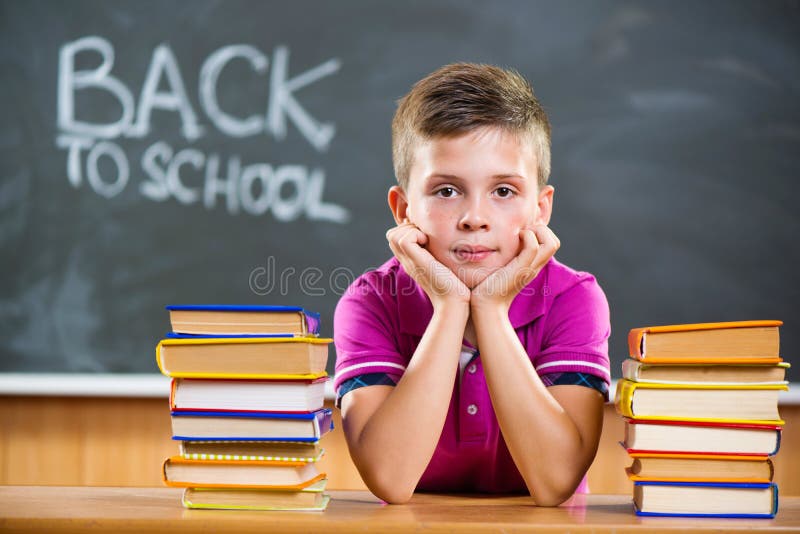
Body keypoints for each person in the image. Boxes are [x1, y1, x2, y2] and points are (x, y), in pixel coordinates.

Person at [333, 63, 611, 506]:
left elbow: (555, 482)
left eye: (503, 191)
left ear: (541, 209)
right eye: (447, 191)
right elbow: (390, 478)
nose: (474, 218)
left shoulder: (573, 299)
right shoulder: (371, 302)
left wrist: (490, 310)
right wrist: (449, 308)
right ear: (403, 210)